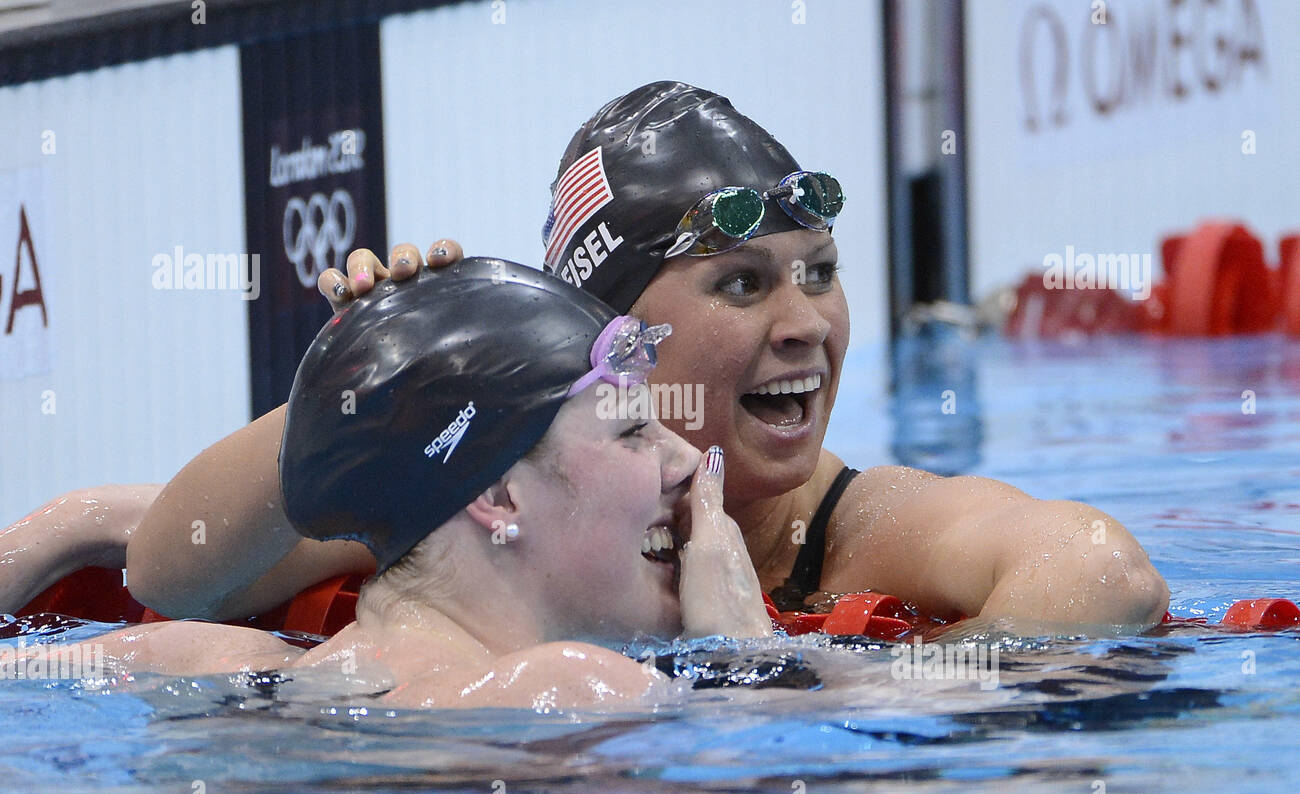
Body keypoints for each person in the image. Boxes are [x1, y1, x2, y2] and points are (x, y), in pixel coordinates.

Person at [2, 82, 1168, 628]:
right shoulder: (483, 495)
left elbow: (1101, 575)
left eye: (818, 271)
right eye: (744, 283)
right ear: (608, 330)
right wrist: (361, 376)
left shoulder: (851, 534)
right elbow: (172, 573)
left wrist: (785, 677)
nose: (807, 320)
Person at [6, 259, 771, 709]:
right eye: (634, 429)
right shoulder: (569, 688)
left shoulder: (212, 661)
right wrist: (740, 659)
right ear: (498, 497)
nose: (684, 463)